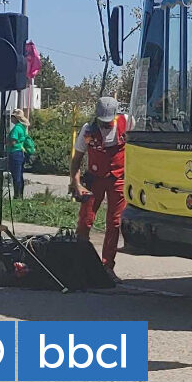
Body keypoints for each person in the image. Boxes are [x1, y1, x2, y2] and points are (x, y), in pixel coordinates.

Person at [69, 97, 128, 282]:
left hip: (118, 180)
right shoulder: (88, 131)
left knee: (115, 223)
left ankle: (107, 267)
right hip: (94, 180)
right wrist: (76, 183)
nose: (106, 124)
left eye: (109, 120)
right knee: (85, 221)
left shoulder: (127, 123)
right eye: (103, 121)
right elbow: (76, 160)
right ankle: (79, 265)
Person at [7, 109, 35, 198]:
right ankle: (20, 195)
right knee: (19, 175)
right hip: (21, 153)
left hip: (14, 153)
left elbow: (13, 141)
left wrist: (7, 143)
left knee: (16, 176)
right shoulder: (23, 128)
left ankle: (17, 195)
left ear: (16, 118)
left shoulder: (16, 128)